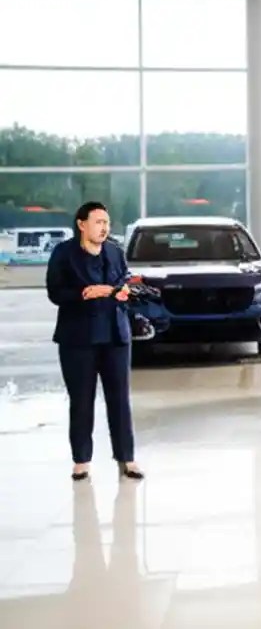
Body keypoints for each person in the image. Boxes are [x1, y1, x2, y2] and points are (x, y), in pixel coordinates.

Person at [45, 201, 144, 482]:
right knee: (81, 400)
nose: (104, 228)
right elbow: (55, 292)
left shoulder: (114, 251)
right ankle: (81, 460)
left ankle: (127, 457)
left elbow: (125, 279)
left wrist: (124, 291)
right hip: (78, 339)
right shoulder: (64, 254)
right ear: (82, 224)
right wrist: (85, 294)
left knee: (120, 400)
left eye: (107, 223)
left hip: (115, 335)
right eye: (99, 222)